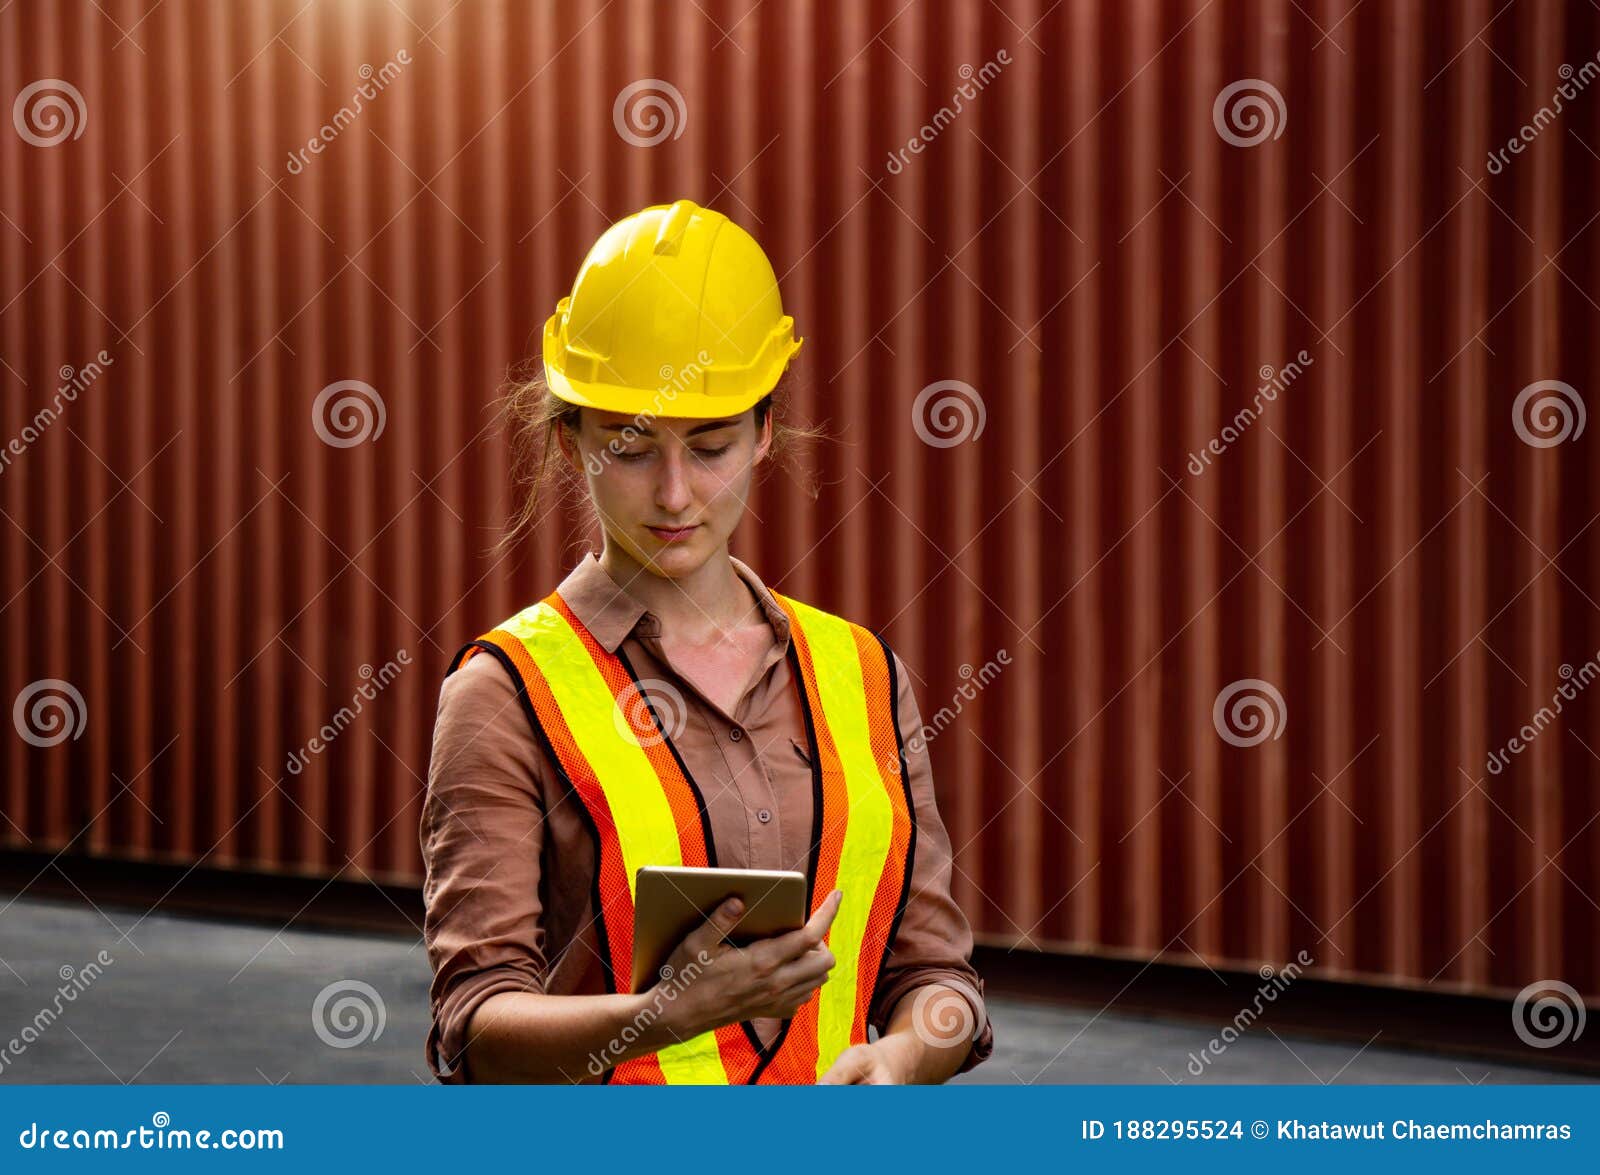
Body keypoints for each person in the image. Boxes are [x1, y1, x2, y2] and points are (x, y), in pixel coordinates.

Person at [420, 199, 993, 1084]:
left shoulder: (862, 672)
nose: (678, 495)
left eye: (712, 444)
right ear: (571, 443)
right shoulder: (506, 692)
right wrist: (665, 1017)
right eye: (633, 446)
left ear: (765, 431)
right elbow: (474, 1026)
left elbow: (938, 977)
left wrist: (906, 1057)